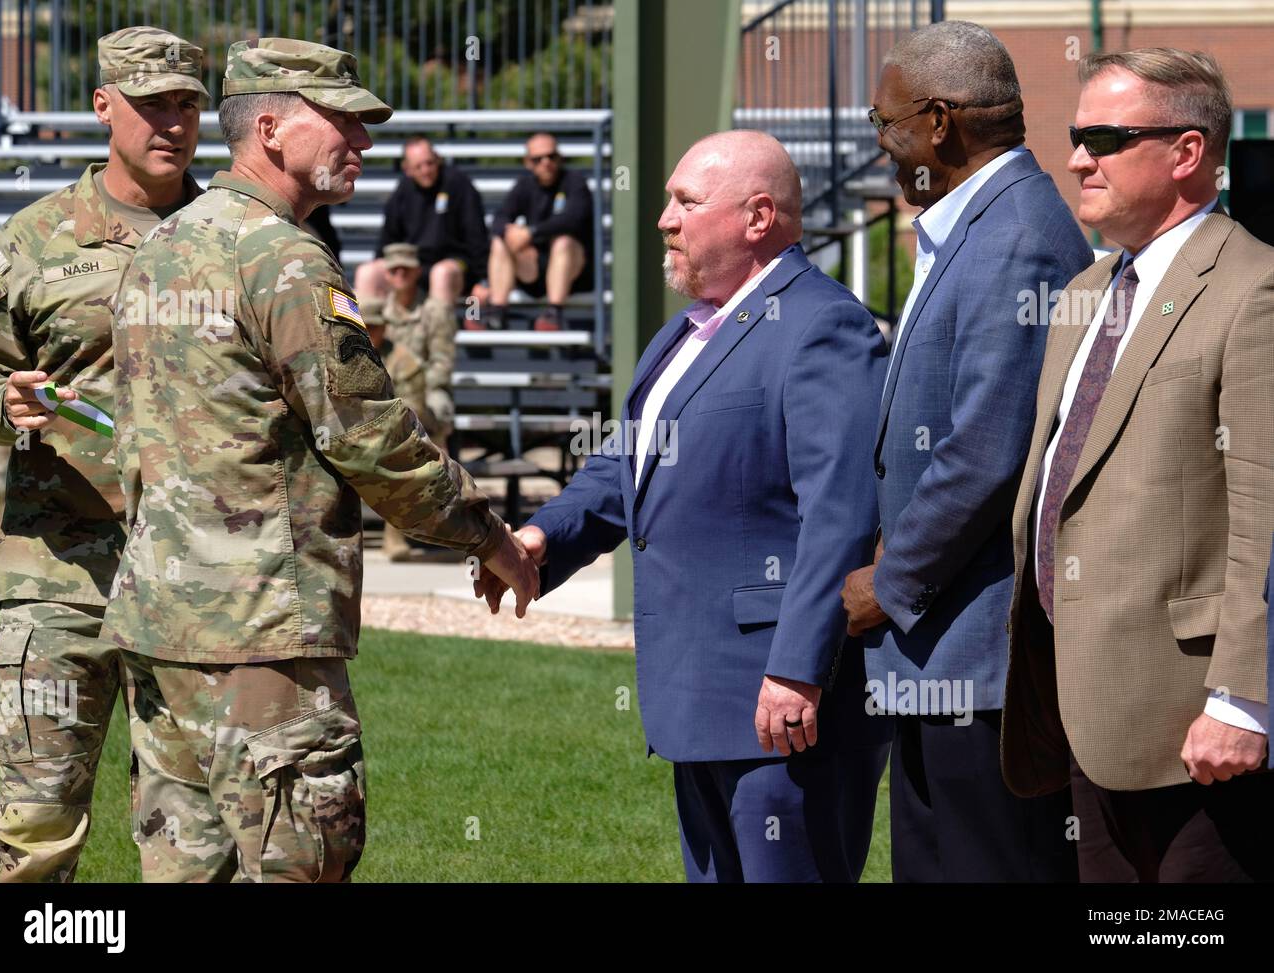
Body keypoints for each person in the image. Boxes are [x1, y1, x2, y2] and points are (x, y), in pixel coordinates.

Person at [104, 37, 538, 883]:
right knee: (300, 863)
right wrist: (489, 536)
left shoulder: (160, 246)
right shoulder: (284, 260)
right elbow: (368, 436)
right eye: (342, 121)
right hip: (263, 634)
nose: (363, 143)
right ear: (270, 129)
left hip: (161, 624)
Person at [477, 130, 891, 883]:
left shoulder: (822, 326)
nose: (664, 218)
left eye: (685, 202)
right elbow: (626, 461)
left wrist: (798, 668)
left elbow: (843, 513)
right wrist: (544, 536)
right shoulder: (687, 329)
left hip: (780, 703)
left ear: (757, 217)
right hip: (701, 698)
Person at [1002, 47, 1274, 882]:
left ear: (1188, 153)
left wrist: (1242, 699)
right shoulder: (1085, 292)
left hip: (1198, 726)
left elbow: (1265, 516)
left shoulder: (1253, 288)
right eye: (1078, 135)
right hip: (1088, 708)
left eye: (1107, 137)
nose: (1078, 157)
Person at [840, 21, 1092, 882]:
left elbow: (986, 450)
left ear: (938, 123)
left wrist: (892, 577)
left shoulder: (1017, 237)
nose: (879, 145)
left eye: (885, 122)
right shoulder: (972, 227)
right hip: (940, 653)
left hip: (980, 658)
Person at [0, 27, 205, 883]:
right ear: (103, 105)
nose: (172, 123)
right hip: (59, 578)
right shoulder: (35, 238)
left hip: (196, 586)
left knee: (193, 842)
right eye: (151, 105)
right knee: (33, 835)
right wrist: (4, 400)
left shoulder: (234, 238)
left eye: (186, 104)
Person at [362, 135, 486, 333]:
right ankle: (368, 351)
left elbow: (476, 235)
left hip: (456, 265)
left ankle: (437, 350)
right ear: (407, 169)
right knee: (368, 272)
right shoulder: (403, 191)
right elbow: (388, 239)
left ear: (437, 159)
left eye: (429, 163)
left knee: (441, 273)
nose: (426, 170)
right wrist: (385, 267)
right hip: (413, 266)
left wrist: (480, 281)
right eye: (419, 166)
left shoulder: (458, 183)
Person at [359, 293, 441, 563]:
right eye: (364, 326)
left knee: (400, 458)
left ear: (384, 328)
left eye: (375, 327)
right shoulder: (342, 353)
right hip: (346, 433)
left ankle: (393, 537)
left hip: (388, 432)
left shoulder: (404, 360)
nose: (370, 333)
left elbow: (411, 409)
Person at [487, 132, 594, 331]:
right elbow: (499, 219)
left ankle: (554, 313)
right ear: (528, 163)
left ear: (559, 157)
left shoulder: (574, 181)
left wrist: (531, 232)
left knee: (562, 241)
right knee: (501, 240)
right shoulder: (524, 185)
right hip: (534, 268)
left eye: (551, 156)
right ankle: (497, 310)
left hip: (574, 272)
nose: (546, 162)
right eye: (538, 159)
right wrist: (511, 232)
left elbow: (573, 219)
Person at [383, 242, 454, 442]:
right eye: (394, 269)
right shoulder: (378, 313)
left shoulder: (435, 311)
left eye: (406, 269)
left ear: (418, 271)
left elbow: (442, 362)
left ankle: (439, 466)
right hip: (388, 386)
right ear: (385, 274)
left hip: (427, 388)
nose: (400, 274)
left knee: (437, 409)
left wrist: (416, 393)